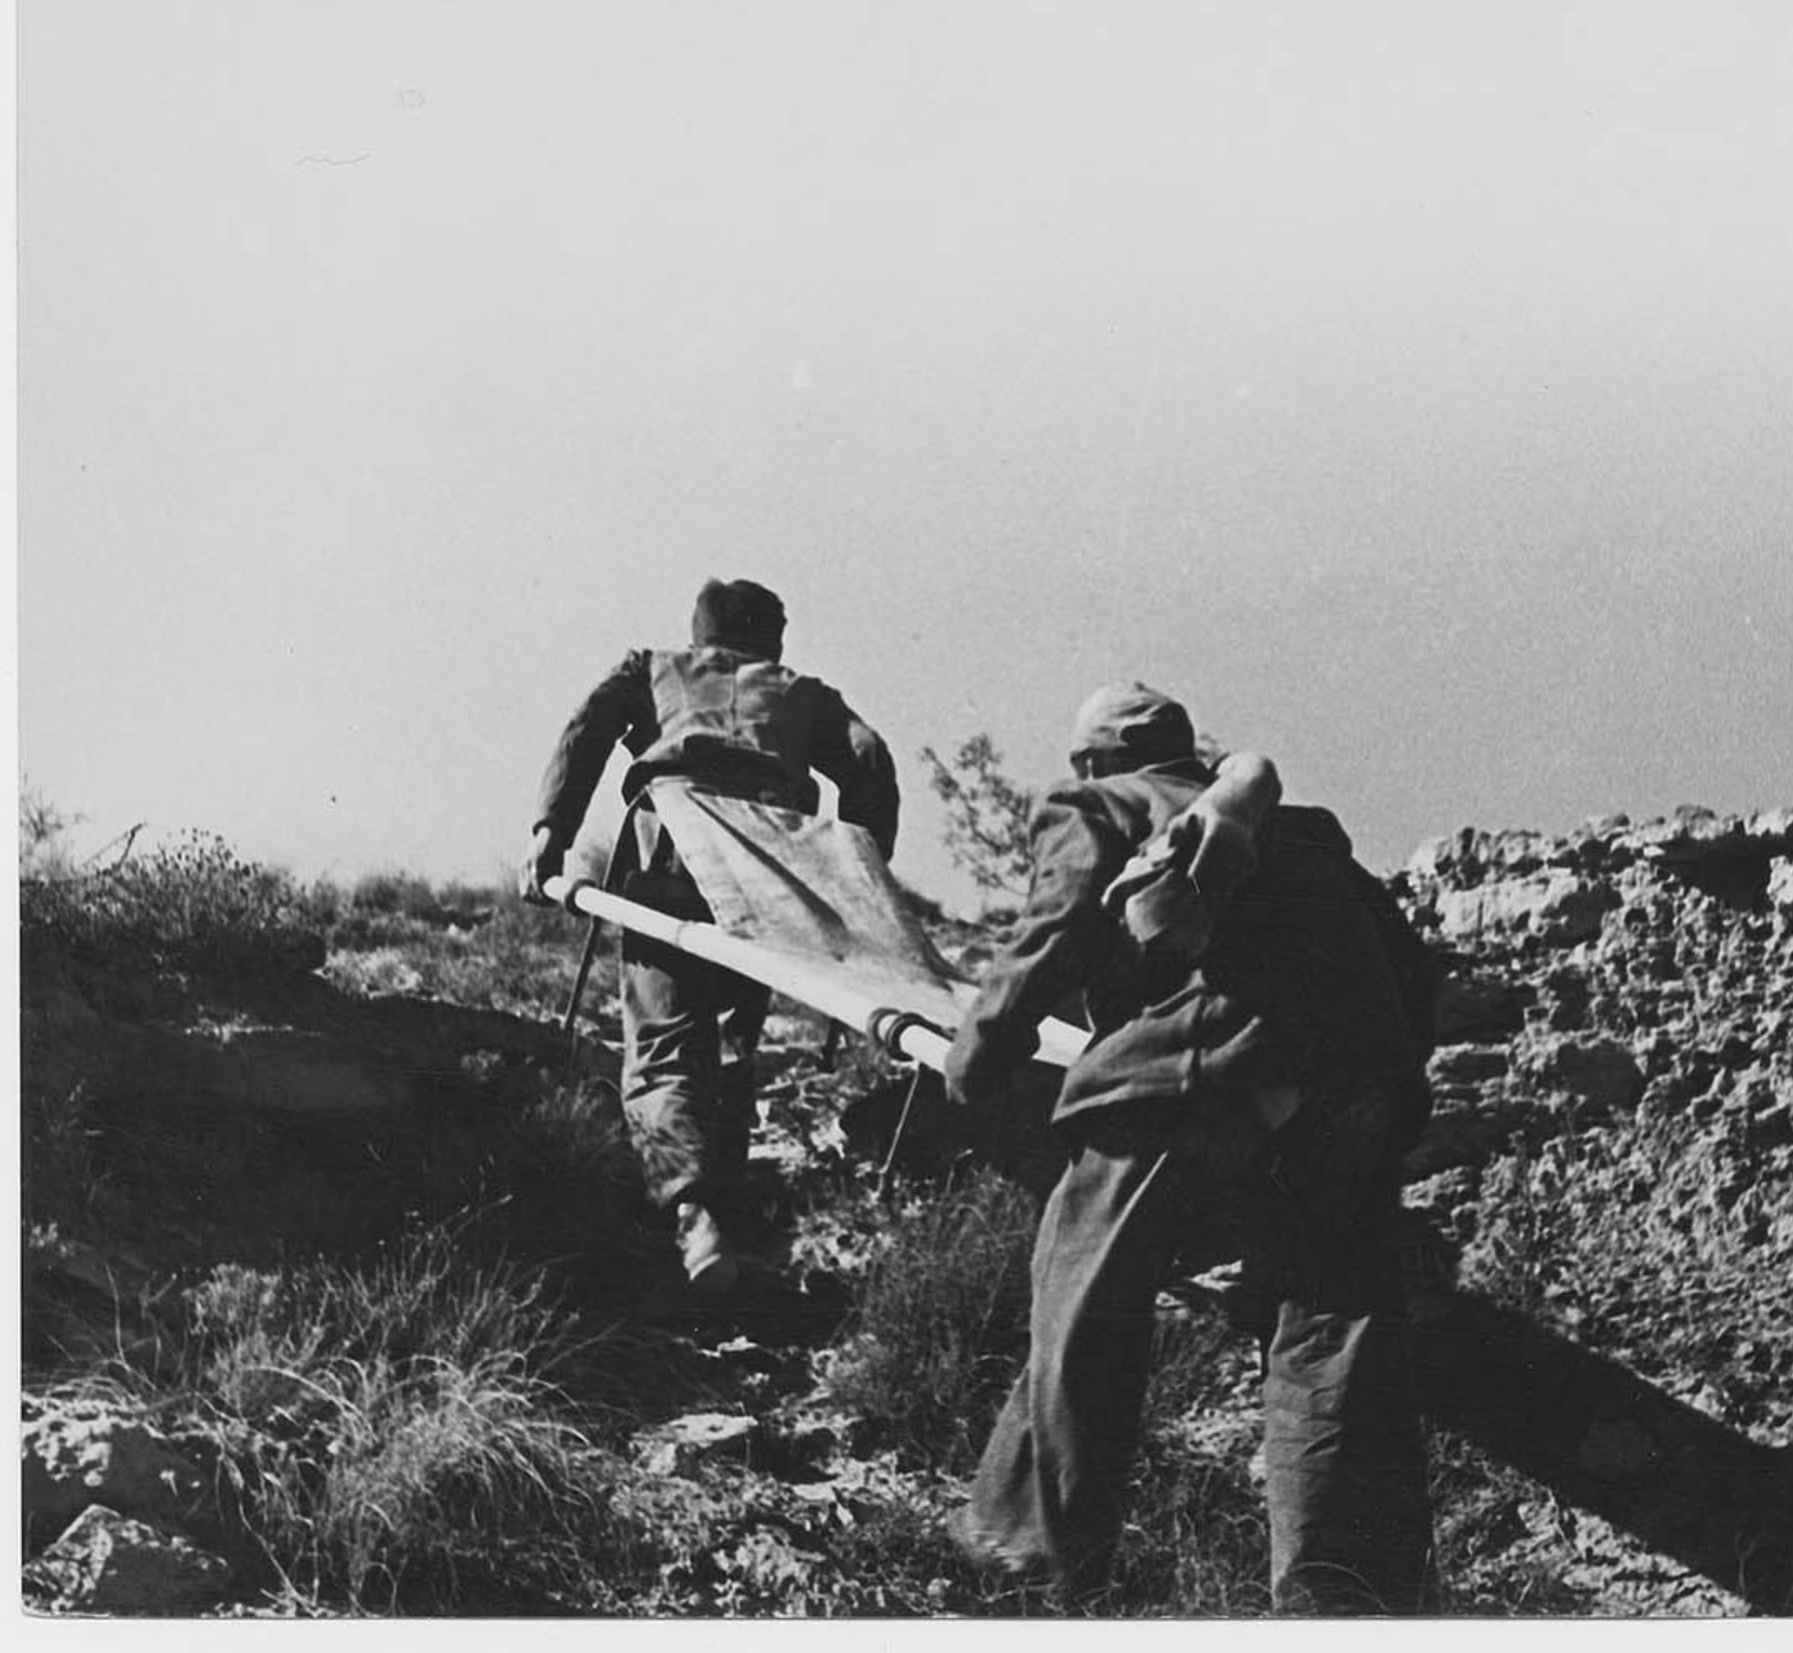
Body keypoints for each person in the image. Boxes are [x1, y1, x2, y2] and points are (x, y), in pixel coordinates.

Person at [941, 681, 1438, 1613]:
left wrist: (977, 1055)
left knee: (1081, 1292)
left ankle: (1024, 1565)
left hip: (1197, 1067)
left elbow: (1058, 921)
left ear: (1096, 760)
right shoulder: (1305, 832)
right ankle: (1340, 1592)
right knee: (1331, 1326)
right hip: (1356, 1089)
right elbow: (1412, 971)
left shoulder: (1101, 801)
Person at [523, 576, 900, 1292]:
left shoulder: (653, 668)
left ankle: (692, 1211)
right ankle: (725, 1210)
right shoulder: (803, 692)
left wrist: (552, 833)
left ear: (700, 631)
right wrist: (856, 873)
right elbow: (870, 758)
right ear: (771, 638)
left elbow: (587, 727)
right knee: (733, 1031)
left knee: (666, 1031)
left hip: (674, 838)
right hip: (769, 858)